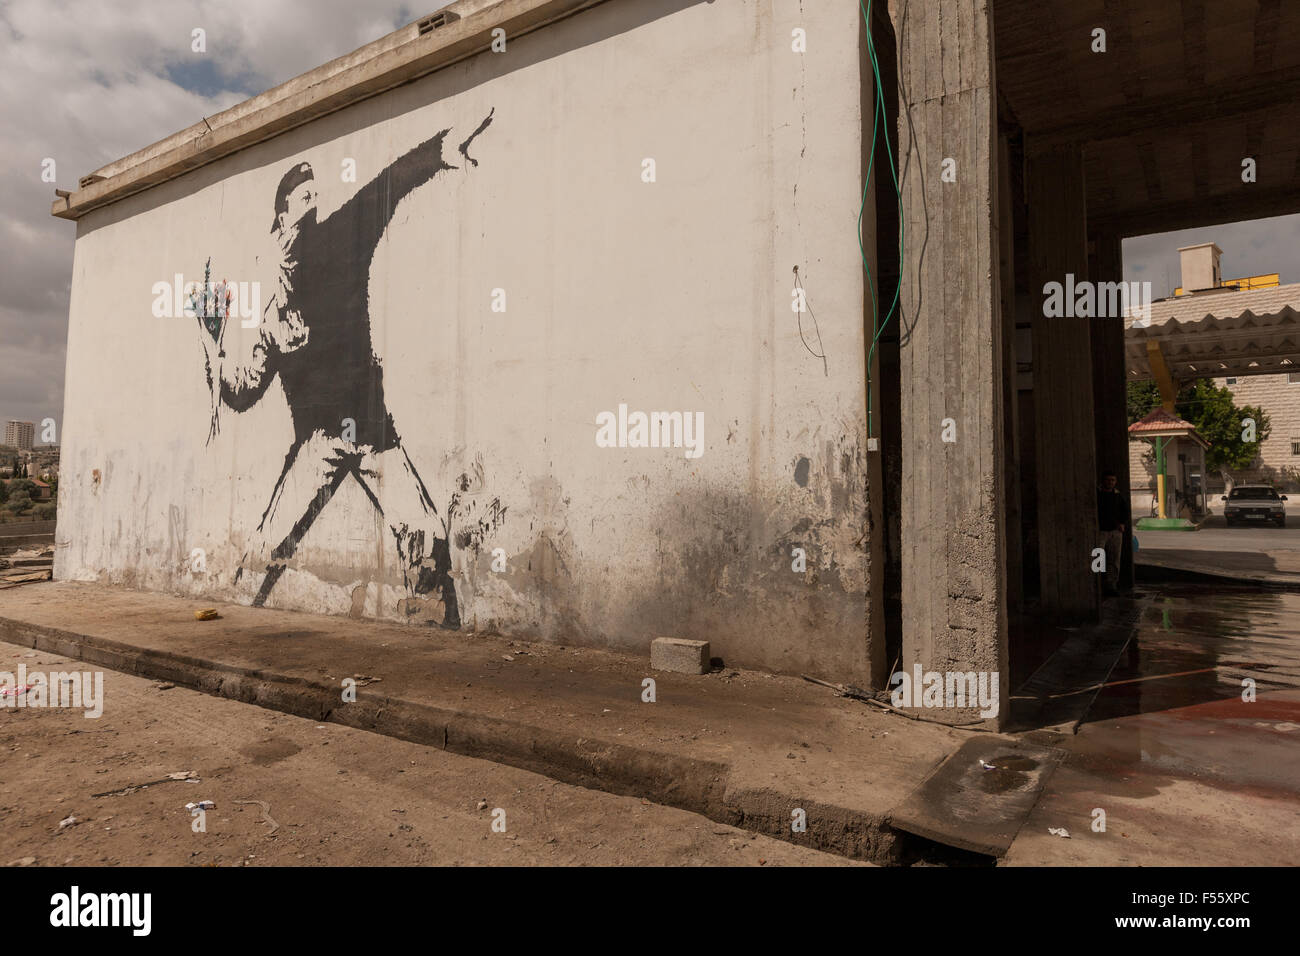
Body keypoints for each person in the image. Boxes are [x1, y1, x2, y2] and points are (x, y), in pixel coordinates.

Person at [196, 110, 497, 626]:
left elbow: (381, 192)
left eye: (315, 199)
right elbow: (244, 391)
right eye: (300, 203)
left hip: (376, 432)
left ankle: (430, 629)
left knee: (427, 537)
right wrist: (214, 344)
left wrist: (438, 151)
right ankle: (231, 614)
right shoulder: (272, 316)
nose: (310, 210)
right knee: (268, 546)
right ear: (279, 223)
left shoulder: (338, 244)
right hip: (317, 443)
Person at [1097, 470, 1130, 596]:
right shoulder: (1097, 494)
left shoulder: (1118, 495)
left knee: (1114, 559)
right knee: (1098, 559)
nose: (1110, 482)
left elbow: (1125, 511)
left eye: (1113, 480)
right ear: (1103, 481)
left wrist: (1122, 523)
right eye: (1108, 480)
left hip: (1115, 532)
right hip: (1100, 532)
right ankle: (1097, 585)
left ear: (1115, 482)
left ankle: (1111, 586)